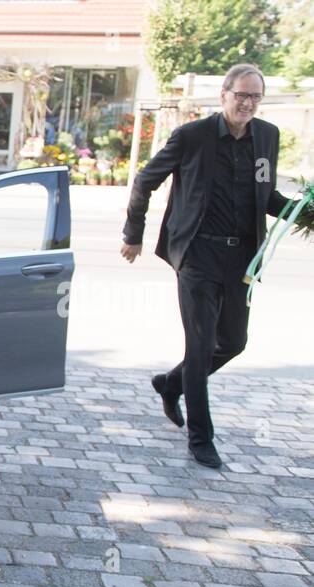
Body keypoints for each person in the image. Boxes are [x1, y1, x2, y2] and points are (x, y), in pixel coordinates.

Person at [120, 64, 294, 468]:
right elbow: (145, 179)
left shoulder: (267, 137)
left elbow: (267, 197)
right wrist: (133, 234)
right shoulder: (192, 136)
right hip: (197, 255)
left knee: (233, 342)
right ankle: (201, 439)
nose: (248, 103)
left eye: (255, 97)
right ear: (224, 95)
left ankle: (171, 384)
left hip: (243, 258)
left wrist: (305, 213)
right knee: (199, 347)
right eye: (241, 95)